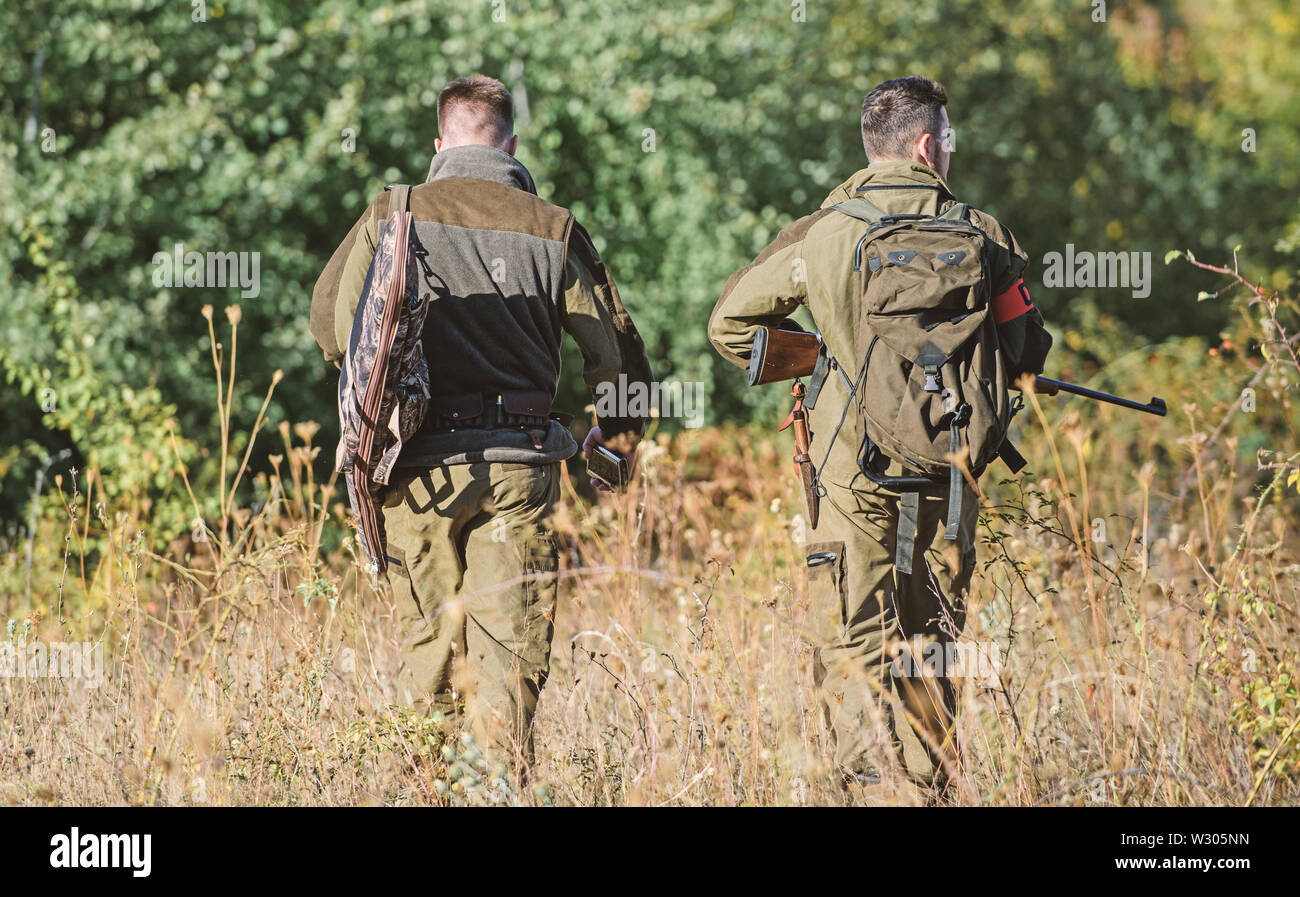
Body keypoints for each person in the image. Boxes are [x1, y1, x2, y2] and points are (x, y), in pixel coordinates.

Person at [708, 76, 1051, 802]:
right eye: (949, 142)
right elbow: (1027, 349)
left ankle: (869, 788)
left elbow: (729, 324)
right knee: (934, 641)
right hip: (948, 474)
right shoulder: (986, 233)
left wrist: (818, 353)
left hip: (853, 475)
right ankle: (930, 787)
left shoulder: (824, 231)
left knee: (854, 638)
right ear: (929, 146)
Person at [310, 75, 651, 775]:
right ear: (512, 144)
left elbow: (330, 325)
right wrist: (611, 442)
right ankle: (497, 790)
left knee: (431, 651)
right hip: (520, 465)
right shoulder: (552, 226)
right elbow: (614, 352)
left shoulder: (393, 211)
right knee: (510, 655)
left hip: (417, 468)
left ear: (440, 143)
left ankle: (426, 788)